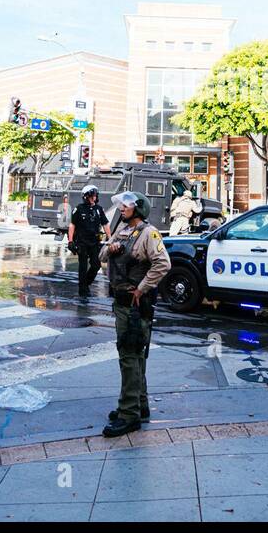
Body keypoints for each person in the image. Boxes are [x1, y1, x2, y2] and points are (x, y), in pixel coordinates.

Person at [100, 192, 171, 437]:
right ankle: (139, 405)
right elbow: (102, 255)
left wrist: (142, 288)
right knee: (135, 355)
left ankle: (128, 414)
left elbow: (163, 264)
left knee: (129, 355)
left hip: (135, 303)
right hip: (122, 301)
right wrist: (111, 247)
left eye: (127, 205)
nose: (121, 208)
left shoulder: (148, 233)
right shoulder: (122, 231)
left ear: (139, 209)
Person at [69, 185, 109, 296]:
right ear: (85, 197)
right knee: (82, 266)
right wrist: (70, 241)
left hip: (94, 242)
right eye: (91, 196)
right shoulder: (79, 209)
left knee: (96, 265)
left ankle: (86, 284)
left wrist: (110, 238)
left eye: (95, 196)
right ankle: (83, 290)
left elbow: (105, 223)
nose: (94, 198)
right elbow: (72, 225)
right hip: (82, 242)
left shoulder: (99, 209)